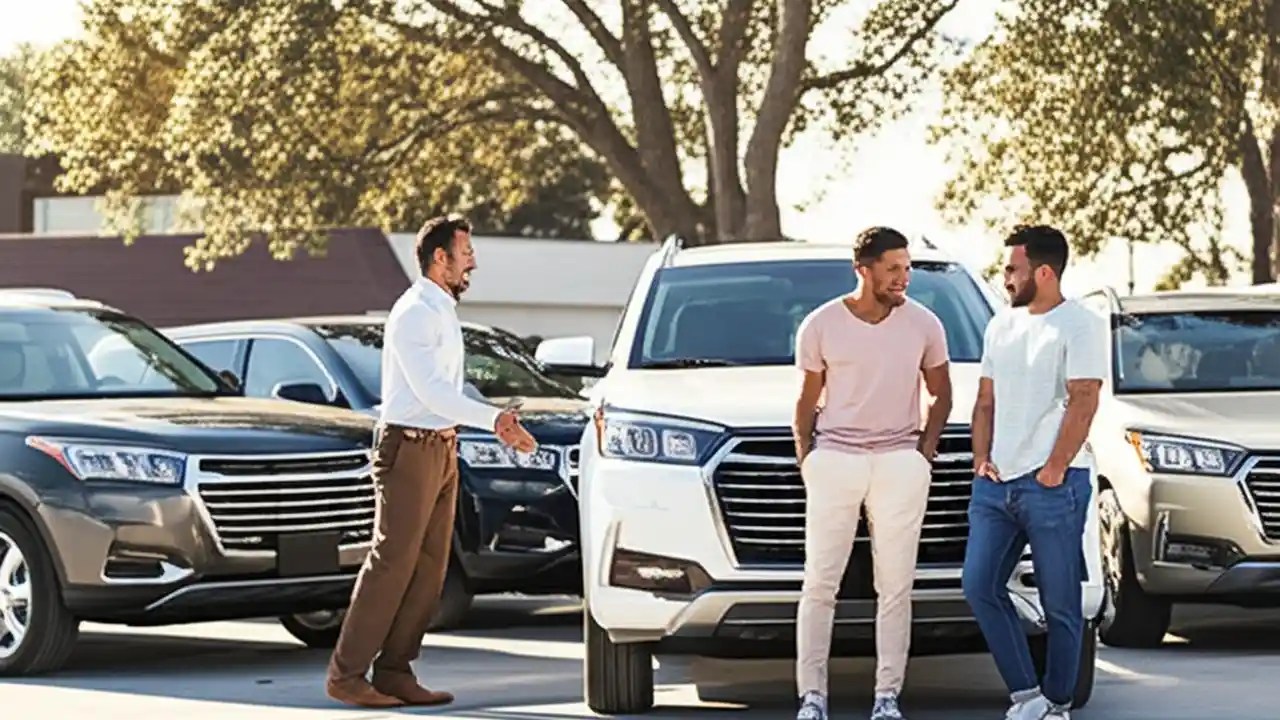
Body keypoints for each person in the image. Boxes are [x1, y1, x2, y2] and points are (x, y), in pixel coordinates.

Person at [325, 214, 537, 708]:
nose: (473, 262)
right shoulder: (415, 312)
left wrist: (490, 417)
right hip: (409, 448)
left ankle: (395, 670)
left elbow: (449, 391)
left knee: (429, 569)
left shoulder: (441, 309)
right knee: (391, 563)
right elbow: (430, 391)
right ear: (438, 258)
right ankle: (346, 674)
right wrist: (495, 422)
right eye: (465, 253)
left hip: (441, 447)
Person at [792, 227, 953, 720]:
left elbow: (942, 395)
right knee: (820, 583)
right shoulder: (820, 325)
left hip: (899, 461)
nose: (903, 278)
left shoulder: (925, 324)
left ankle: (887, 697)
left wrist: (923, 454)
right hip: (835, 460)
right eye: (893, 269)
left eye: (907, 268)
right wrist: (809, 460)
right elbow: (805, 403)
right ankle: (812, 697)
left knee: (896, 584)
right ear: (863, 269)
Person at [961, 225, 1105, 720]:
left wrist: (1054, 469)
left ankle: (1058, 701)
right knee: (979, 586)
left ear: (1044, 272)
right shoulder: (1000, 325)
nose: (1004, 278)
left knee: (1060, 601)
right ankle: (1027, 695)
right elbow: (985, 401)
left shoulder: (1080, 324)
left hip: (1054, 485)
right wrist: (982, 461)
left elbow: (1085, 399)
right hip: (996, 486)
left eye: (1012, 269)